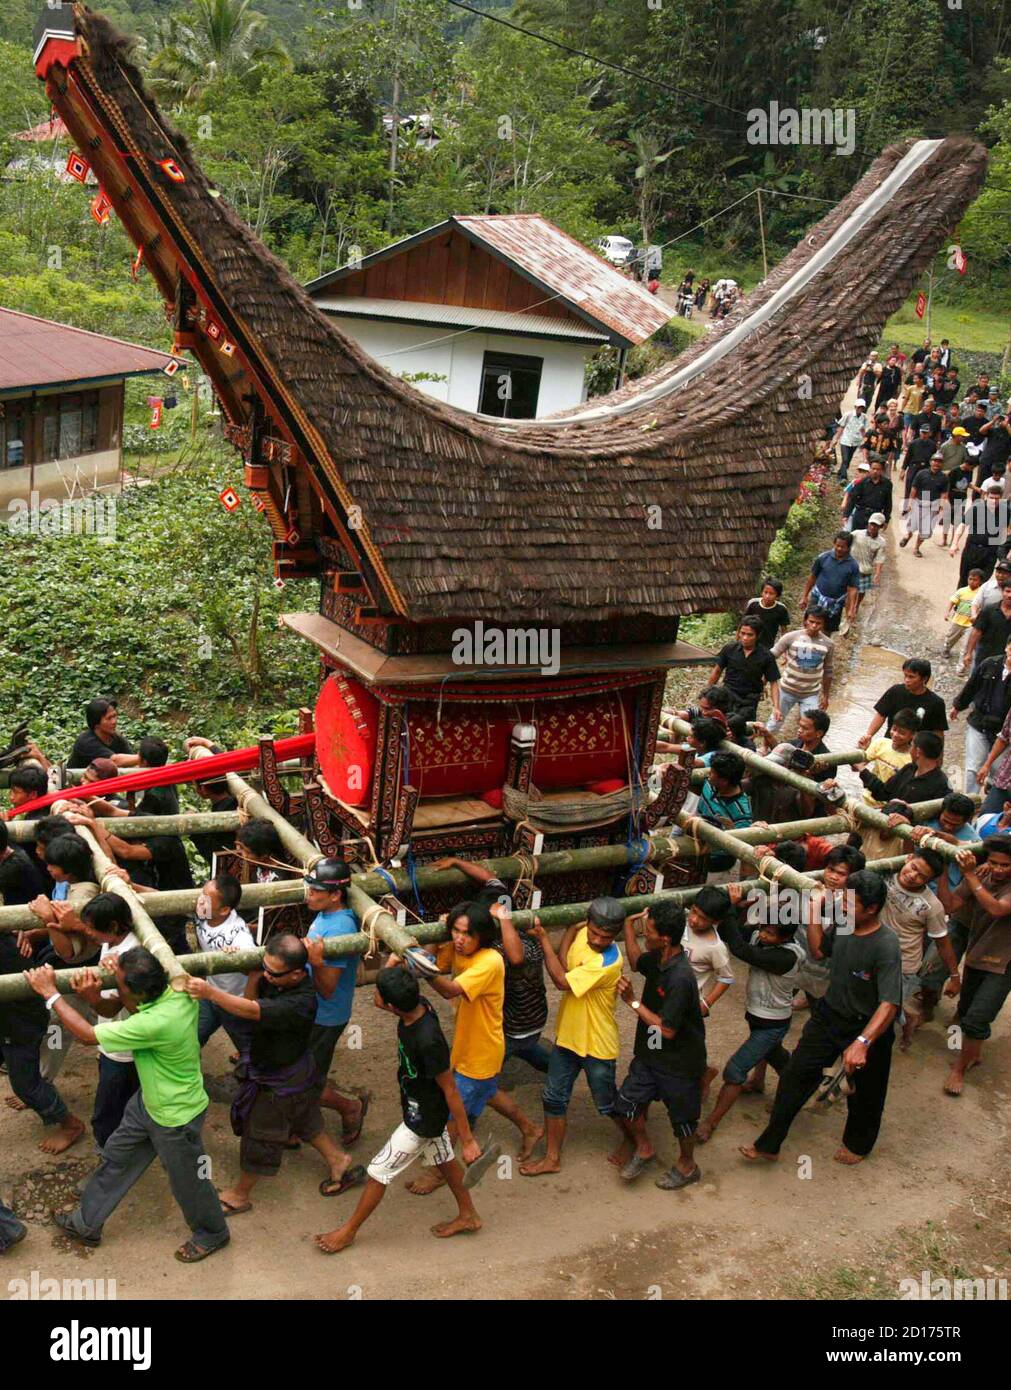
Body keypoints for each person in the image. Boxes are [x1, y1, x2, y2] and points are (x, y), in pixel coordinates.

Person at [36, 947, 229, 1262]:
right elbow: (135, 1007)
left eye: (121, 985)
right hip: (147, 1102)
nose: (118, 988)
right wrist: (116, 978)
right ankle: (86, 1224)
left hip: (175, 1117)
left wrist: (50, 993)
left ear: (140, 991)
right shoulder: (174, 992)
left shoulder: (157, 1022)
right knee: (116, 1157)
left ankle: (212, 1233)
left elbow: (86, 1035)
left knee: (189, 1182)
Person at [182, 933, 364, 1213]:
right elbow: (251, 999)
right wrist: (253, 973)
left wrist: (211, 993)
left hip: (280, 1082)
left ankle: (240, 1194)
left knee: (260, 1136)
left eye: (273, 973)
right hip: (292, 1071)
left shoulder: (300, 1002)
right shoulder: (274, 980)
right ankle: (338, 1159)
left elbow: (250, 1010)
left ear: (296, 974)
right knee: (304, 1117)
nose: (268, 976)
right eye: (264, 967)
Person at [314, 965, 482, 1254]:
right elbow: (388, 994)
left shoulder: (428, 1041)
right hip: (419, 1107)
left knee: (379, 1171)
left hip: (423, 1119)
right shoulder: (418, 1005)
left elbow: (450, 1089)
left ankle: (348, 1232)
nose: (376, 999)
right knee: (444, 1160)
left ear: (392, 1006)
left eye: (380, 995)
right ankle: (469, 1215)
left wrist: (467, 1139)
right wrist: (392, 959)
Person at [740, 871, 901, 1165]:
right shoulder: (843, 922)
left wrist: (863, 1042)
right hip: (829, 1015)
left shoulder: (886, 945)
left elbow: (889, 1003)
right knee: (794, 1077)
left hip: (866, 1025)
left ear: (872, 909)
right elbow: (818, 951)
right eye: (843, 899)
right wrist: (813, 911)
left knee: (867, 1092)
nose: (842, 906)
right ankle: (770, 1144)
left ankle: (858, 1145)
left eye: (850, 903)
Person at [411, 897, 537, 1191]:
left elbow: (448, 988)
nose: (459, 939)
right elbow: (431, 962)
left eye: (468, 934)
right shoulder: (460, 949)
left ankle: (438, 1172)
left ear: (482, 936)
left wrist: (419, 960)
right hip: (469, 1046)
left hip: (481, 1051)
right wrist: (436, 939)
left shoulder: (489, 961)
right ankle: (531, 1128)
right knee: (489, 1092)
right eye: (456, 931)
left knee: (453, 1114)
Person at [519, 898, 626, 1178]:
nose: (598, 940)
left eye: (606, 936)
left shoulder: (608, 962)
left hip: (597, 1044)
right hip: (569, 1037)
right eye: (594, 933)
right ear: (587, 924)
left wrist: (543, 938)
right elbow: (565, 960)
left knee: (607, 1104)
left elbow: (562, 981)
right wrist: (569, 930)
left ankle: (640, 1142)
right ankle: (552, 1158)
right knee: (553, 1098)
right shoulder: (581, 934)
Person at [694, 884, 804, 1142]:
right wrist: (733, 910)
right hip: (759, 1018)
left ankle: (710, 1123)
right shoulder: (762, 937)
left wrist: (731, 910)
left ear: (786, 937)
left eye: (770, 934)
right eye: (762, 929)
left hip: (772, 1024)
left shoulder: (787, 957)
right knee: (776, 1057)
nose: (763, 935)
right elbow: (734, 933)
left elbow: (741, 949)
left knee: (734, 1070)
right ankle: (793, 1086)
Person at [611, 901, 707, 1190]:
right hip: (649, 1055)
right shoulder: (658, 957)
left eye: (648, 930)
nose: (645, 934)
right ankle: (644, 1148)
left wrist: (632, 1002)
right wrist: (629, 926)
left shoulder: (681, 977)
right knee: (625, 1104)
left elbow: (666, 1030)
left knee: (683, 1122)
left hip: (679, 1062)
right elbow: (636, 959)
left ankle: (688, 1166)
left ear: (664, 939)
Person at [427, 856, 550, 1073]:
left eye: (468, 931)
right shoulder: (503, 902)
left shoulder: (511, 947)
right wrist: (457, 862)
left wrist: (503, 919)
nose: (461, 936)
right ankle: (556, 1066)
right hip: (531, 1019)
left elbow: (516, 959)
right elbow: (490, 879)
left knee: (476, 1071)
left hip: (513, 1026)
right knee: (528, 1049)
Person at [0, 919, 84, 1155]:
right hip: (19, 1015)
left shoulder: (7, 940)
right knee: (26, 1072)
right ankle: (39, 1093)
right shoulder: (8, 934)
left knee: (25, 1085)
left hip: (17, 1021)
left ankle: (70, 1124)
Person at [300, 859, 369, 1143]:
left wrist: (315, 962)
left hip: (326, 1015)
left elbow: (328, 988)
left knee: (306, 1084)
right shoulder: (326, 913)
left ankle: (351, 1107)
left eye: (315, 890)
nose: (309, 894)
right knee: (302, 1070)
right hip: (314, 1010)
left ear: (335, 895)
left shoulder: (340, 928)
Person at [70, 893, 140, 1149]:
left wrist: (91, 998)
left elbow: (111, 1009)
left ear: (112, 926)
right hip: (116, 1042)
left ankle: (108, 1152)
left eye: (91, 927)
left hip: (123, 1050)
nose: (88, 932)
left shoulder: (127, 956)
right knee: (123, 1100)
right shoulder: (112, 941)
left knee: (107, 1109)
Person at [942, 839, 1011, 1096]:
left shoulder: (978, 877)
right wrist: (942, 871)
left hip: (1004, 963)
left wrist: (970, 874)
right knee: (963, 1010)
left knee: (977, 1017)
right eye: (994, 863)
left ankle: (959, 1068)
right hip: (977, 955)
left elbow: (996, 909)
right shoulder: (981, 877)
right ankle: (967, 1052)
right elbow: (950, 906)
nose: (999, 869)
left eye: (1005, 865)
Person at [878, 850, 958, 1048]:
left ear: (929, 880)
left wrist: (955, 976)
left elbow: (943, 943)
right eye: (914, 868)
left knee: (887, 1008)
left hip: (902, 964)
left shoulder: (932, 906)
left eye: (922, 876)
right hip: (873, 953)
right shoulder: (884, 873)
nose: (913, 876)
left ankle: (905, 1025)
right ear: (908, 859)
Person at [193, 874, 257, 1056]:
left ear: (224, 910)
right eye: (201, 895)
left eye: (205, 900)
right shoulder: (203, 910)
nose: (199, 902)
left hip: (233, 1002)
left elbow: (253, 968)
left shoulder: (238, 936)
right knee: (191, 1038)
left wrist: (237, 959)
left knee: (250, 1051)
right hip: (209, 994)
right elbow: (161, 898)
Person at [949, 636, 1011, 792]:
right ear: (1007, 647)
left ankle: (991, 797)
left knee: (999, 771)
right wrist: (958, 706)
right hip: (979, 722)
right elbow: (972, 685)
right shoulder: (990, 664)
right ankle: (970, 805)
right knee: (973, 768)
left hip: (1005, 731)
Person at [767, 608, 833, 733]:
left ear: (824, 624)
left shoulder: (828, 644)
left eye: (818, 623)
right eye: (811, 621)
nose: (814, 626)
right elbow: (770, 657)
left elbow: (828, 671)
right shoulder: (791, 637)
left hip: (810, 693)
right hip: (787, 689)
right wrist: (767, 679)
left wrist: (825, 695)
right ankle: (764, 746)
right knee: (775, 721)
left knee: (811, 726)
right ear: (805, 621)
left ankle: (802, 749)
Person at [858, 658, 948, 746]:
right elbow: (881, 714)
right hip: (890, 744)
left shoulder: (936, 703)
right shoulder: (895, 691)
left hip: (916, 751)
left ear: (924, 679)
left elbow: (938, 733)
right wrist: (869, 735)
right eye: (905, 675)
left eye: (911, 677)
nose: (907, 680)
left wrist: (937, 758)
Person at [708, 617, 781, 723]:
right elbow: (717, 671)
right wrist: (707, 693)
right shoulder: (729, 649)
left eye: (750, 635)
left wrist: (776, 707)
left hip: (749, 701)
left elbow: (774, 682)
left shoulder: (766, 656)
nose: (745, 638)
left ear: (758, 635)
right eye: (743, 633)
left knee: (744, 731)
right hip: (728, 695)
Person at [858, 731, 950, 805]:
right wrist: (862, 770)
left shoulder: (941, 784)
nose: (910, 750)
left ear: (917, 751)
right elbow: (884, 792)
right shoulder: (909, 769)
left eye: (912, 746)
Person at [800, 533, 860, 634]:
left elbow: (853, 589)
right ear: (834, 544)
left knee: (827, 629)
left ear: (849, 547)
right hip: (817, 597)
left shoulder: (853, 565)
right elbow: (812, 577)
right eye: (837, 545)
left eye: (843, 547)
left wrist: (851, 609)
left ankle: (823, 648)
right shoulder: (823, 558)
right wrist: (805, 596)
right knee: (809, 624)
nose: (839, 548)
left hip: (836, 603)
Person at [860, 708, 919, 806]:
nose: (895, 734)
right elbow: (857, 767)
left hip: (890, 806)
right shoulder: (880, 743)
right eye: (894, 729)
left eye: (902, 733)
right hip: (866, 800)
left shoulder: (912, 760)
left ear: (913, 735)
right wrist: (862, 750)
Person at [67, 698, 138, 770]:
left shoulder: (116, 738)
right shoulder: (86, 741)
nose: (114, 721)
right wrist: (143, 757)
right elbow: (115, 761)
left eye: (114, 716)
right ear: (96, 723)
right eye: (109, 718)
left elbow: (132, 761)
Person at [961, 580, 1011, 675]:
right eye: (1007, 591)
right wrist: (969, 653)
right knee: (977, 678)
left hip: (1006, 658)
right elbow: (976, 631)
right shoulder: (989, 610)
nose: (1010, 595)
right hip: (984, 654)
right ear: (1002, 592)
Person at [903, 453, 949, 556]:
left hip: (933, 506)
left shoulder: (944, 478)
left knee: (925, 530)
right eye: (935, 460)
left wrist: (942, 506)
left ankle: (916, 548)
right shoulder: (921, 474)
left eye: (939, 461)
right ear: (930, 462)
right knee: (913, 525)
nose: (937, 463)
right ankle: (907, 537)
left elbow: (944, 493)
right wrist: (910, 503)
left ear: (942, 464)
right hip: (920, 503)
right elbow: (914, 488)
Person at [843, 458, 892, 531]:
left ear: (882, 470)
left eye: (878, 469)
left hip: (875, 517)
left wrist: (886, 520)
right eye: (873, 468)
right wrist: (846, 515)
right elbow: (852, 499)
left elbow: (888, 503)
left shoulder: (887, 484)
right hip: (861, 514)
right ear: (870, 469)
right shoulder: (862, 483)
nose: (875, 471)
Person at [944, 569, 984, 656]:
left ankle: (961, 665)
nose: (972, 582)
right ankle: (946, 649)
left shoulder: (981, 594)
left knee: (966, 644)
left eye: (975, 580)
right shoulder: (962, 591)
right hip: (958, 620)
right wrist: (947, 612)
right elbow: (952, 601)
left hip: (971, 624)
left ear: (980, 581)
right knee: (950, 638)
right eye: (970, 579)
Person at [849, 515, 887, 605]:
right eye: (871, 524)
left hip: (865, 570)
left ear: (880, 527)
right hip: (850, 568)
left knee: (861, 591)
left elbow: (879, 559)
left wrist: (877, 574)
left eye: (876, 525)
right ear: (868, 523)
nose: (873, 527)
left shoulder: (881, 542)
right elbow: (845, 542)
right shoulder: (856, 534)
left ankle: (856, 606)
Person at [744, 578, 789, 649]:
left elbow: (784, 630)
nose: (767, 596)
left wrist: (784, 648)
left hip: (767, 646)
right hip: (750, 642)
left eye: (771, 593)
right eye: (765, 592)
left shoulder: (781, 609)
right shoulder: (753, 604)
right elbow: (743, 623)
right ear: (761, 592)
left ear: (777, 596)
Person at [830, 398, 868, 481]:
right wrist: (836, 438)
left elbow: (863, 430)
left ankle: (841, 472)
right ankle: (843, 477)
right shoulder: (848, 415)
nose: (859, 409)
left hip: (855, 441)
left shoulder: (864, 417)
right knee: (845, 459)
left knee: (848, 460)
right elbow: (841, 427)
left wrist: (864, 441)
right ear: (855, 407)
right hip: (846, 440)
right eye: (858, 407)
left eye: (861, 408)